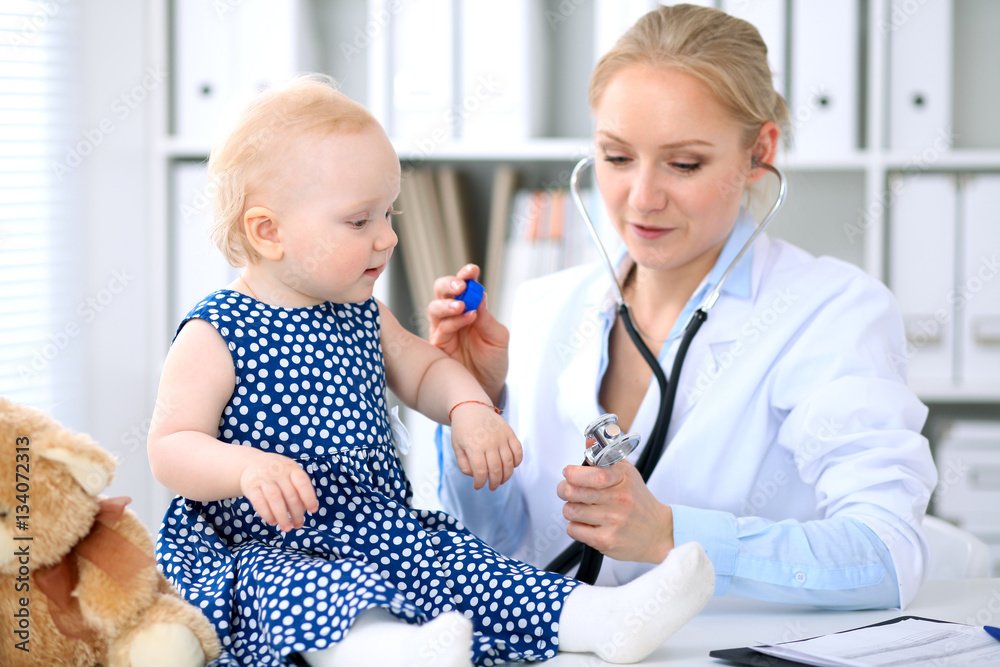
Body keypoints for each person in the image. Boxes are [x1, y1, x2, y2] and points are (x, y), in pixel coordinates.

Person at [147, 74, 716, 667]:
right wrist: (246, 469)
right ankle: (393, 653)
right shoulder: (216, 330)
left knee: (469, 565)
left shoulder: (359, 310)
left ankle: (602, 618)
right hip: (265, 543)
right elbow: (170, 446)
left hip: (376, 528)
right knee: (304, 593)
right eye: (359, 221)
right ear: (269, 232)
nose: (388, 238)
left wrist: (470, 409)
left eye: (388, 214)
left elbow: (424, 373)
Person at [429, 4, 937, 611]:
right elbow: (496, 553)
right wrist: (473, 408)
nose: (642, 198)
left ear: (759, 153)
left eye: (685, 163)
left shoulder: (831, 312)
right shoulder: (543, 309)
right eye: (617, 158)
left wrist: (673, 536)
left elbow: (885, 556)